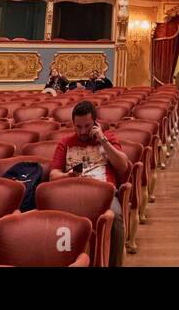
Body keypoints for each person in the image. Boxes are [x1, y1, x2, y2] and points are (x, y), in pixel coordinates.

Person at [49, 100, 130, 267]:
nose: (83, 131)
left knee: (114, 218)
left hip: (104, 195)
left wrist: (102, 140)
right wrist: (67, 175)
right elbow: (53, 176)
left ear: (95, 123)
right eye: (78, 127)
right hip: (72, 193)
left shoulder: (108, 138)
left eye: (87, 126)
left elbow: (123, 165)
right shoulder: (65, 143)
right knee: (50, 219)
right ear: (73, 124)